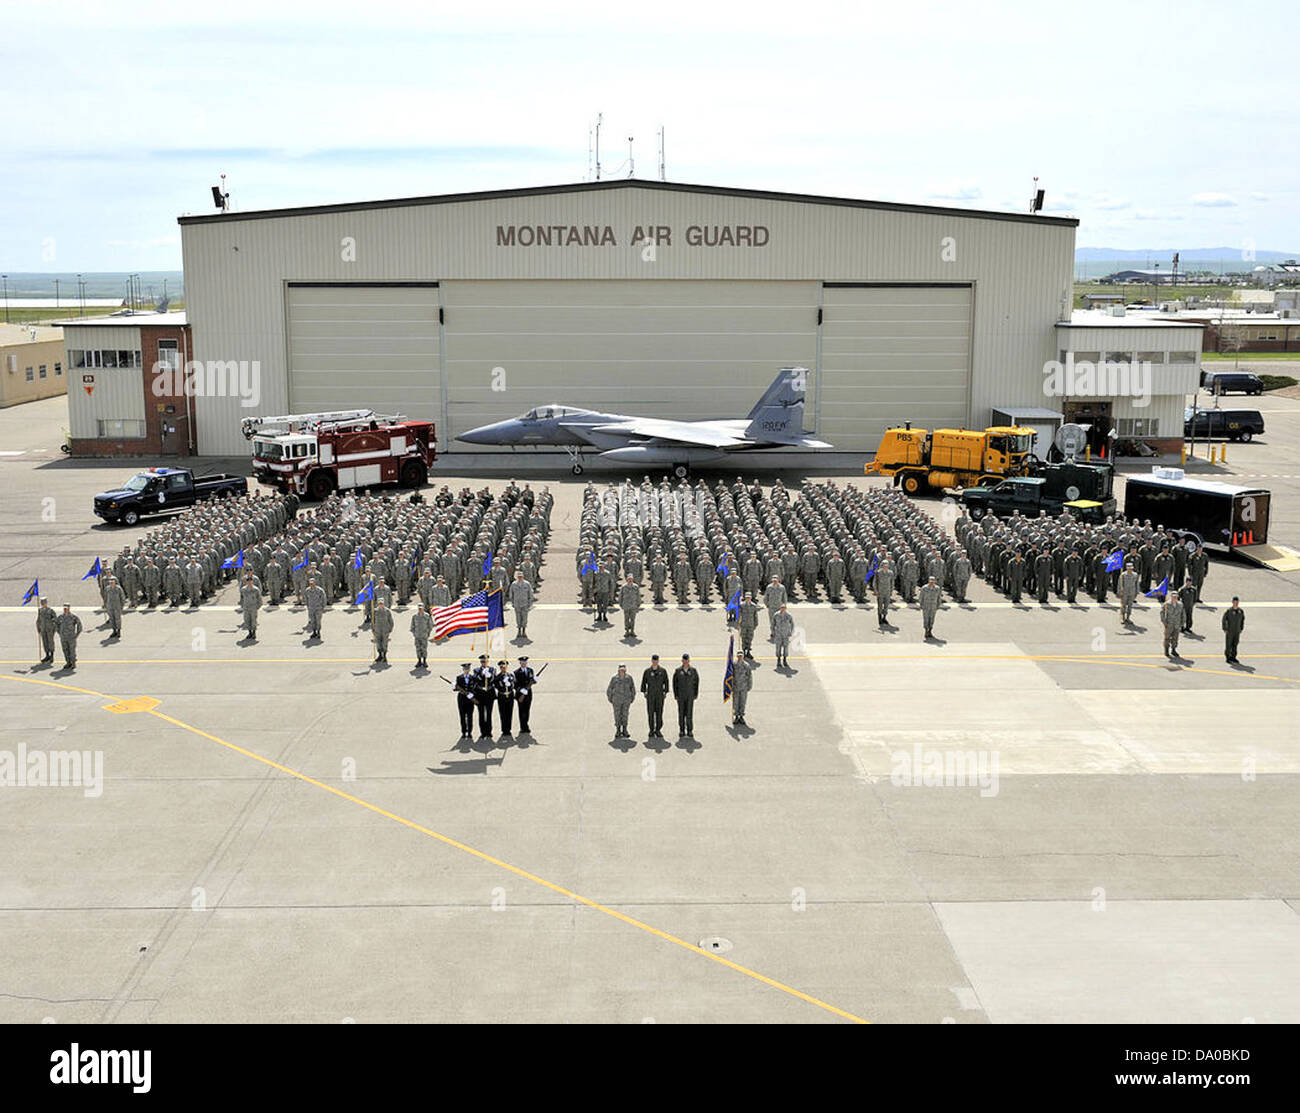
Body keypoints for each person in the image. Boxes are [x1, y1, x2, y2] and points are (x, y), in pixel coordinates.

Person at [640, 654, 669, 738]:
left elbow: (666, 682)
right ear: (651, 661)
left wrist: (665, 692)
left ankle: (658, 730)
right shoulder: (647, 671)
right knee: (650, 713)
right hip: (651, 695)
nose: (655, 662)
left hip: (659, 695)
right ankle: (651, 730)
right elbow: (643, 682)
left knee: (659, 713)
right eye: (653, 660)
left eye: (656, 660)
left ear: (658, 661)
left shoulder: (663, 671)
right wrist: (644, 692)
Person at [672, 653, 700, 737]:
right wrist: (676, 695)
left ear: (689, 661)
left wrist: (695, 694)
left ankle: (689, 730)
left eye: (687, 660)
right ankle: (681, 730)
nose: (685, 662)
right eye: (684, 660)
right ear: (682, 661)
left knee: (689, 713)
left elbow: (697, 683)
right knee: (681, 713)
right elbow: (674, 684)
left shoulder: (693, 671)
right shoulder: (678, 671)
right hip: (681, 695)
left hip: (690, 695)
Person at [606, 664, 636, 738]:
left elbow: (633, 688)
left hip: (626, 700)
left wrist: (632, 698)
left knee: (625, 715)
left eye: (623, 670)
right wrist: (611, 699)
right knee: (617, 715)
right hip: (617, 700)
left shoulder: (629, 678)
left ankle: (625, 730)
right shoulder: (614, 678)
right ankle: (618, 730)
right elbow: (609, 689)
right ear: (618, 670)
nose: (622, 671)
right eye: (621, 670)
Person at [512, 657, 536, 734]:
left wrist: (535, 680)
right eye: (522, 662)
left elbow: (531, 680)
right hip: (520, 694)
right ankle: (523, 727)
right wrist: (521, 690)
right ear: (520, 663)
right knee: (521, 711)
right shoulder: (516, 672)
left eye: (525, 662)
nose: (524, 664)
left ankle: (526, 724)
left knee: (527, 710)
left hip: (528, 694)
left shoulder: (530, 670)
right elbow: (515, 685)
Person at [473, 653, 495, 738]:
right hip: (480, 694)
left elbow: (493, 678)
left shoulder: (492, 669)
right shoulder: (476, 670)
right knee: (481, 714)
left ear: (488, 661)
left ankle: (489, 731)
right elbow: (476, 679)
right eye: (482, 662)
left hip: (489, 694)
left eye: (485, 661)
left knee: (489, 714)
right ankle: (483, 732)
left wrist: (488, 676)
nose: (484, 663)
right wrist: (482, 674)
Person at [453, 663, 476, 739]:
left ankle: (469, 732)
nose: (467, 670)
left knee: (470, 716)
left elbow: (475, 688)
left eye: (468, 669)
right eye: (465, 669)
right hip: (462, 699)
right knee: (462, 716)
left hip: (470, 699)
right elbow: (456, 689)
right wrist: (454, 687)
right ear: (463, 670)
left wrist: (472, 694)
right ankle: (463, 732)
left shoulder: (473, 678)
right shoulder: (459, 678)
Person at [56, 605, 82, 670]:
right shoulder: (60, 617)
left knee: (72, 651)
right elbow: (56, 625)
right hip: (63, 637)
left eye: (66, 609)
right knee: (65, 650)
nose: (65, 610)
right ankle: (68, 663)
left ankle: (73, 663)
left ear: (69, 609)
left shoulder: (73, 617)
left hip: (71, 638)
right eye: (64, 609)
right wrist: (60, 633)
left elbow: (79, 625)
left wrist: (77, 634)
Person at [508, 572, 533, 639]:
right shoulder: (514, 584)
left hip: (525, 604)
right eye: (519, 577)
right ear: (517, 577)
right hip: (517, 604)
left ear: (523, 577)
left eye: (521, 577)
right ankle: (519, 631)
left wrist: (530, 603)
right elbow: (511, 594)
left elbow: (530, 594)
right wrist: (512, 602)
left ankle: (524, 631)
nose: (520, 578)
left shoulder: (527, 584)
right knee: (518, 618)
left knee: (524, 618)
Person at [494, 661, 516, 735]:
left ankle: (508, 729)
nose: (503, 668)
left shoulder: (511, 675)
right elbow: (496, 686)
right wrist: (503, 684)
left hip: (510, 695)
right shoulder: (497, 677)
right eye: (501, 667)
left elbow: (514, 684)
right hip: (502, 696)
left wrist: (509, 684)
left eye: (504, 667)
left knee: (509, 712)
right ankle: (504, 730)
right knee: (503, 713)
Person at [730, 652, 752, 727]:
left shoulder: (746, 665)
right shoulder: (734, 665)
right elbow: (730, 675)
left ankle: (741, 716)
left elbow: (749, 676)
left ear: (743, 657)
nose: (740, 657)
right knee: (735, 703)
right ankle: (736, 716)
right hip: (736, 687)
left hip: (743, 687)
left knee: (742, 702)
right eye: (738, 656)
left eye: (741, 656)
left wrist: (749, 686)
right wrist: (730, 686)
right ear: (737, 656)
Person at [1160, 592, 1184, 659]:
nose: (1174, 598)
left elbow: (1183, 614)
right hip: (1169, 624)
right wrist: (1164, 622)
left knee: (1175, 638)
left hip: (1177, 624)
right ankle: (1166, 650)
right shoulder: (1167, 604)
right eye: (1173, 597)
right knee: (1167, 638)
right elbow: (1162, 613)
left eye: (1176, 597)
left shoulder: (1180, 604)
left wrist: (1182, 623)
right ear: (1171, 597)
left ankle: (1173, 650)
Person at [239, 575, 263, 641]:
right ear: (246, 582)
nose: (249, 582)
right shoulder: (243, 589)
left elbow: (259, 599)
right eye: (248, 581)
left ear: (252, 581)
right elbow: (241, 598)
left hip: (253, 607)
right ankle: (249, 633)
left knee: (253, 620)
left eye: (250, 580)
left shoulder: (256, 589)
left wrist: (258, 606)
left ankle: (254, 633)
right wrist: (242, 606)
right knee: (247, 620)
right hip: (246, 607)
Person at [1222, 597, 1245, 664]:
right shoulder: (1229, 611)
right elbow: (1224, 620)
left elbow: (1242, 620)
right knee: (1228, 644)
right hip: (1230, 631)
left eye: (1237, 602)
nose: (1236, 603)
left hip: (1237, 631)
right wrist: (1225, 628)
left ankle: (1233, 657)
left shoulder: (1240, 611)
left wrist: (1241, 628)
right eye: (1234, 602)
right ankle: (1228, 657)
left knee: (1235, 644)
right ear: (1232, 602)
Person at [738, 593, 760, 660]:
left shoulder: (753, 606)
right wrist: (738, 624)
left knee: (750, 638)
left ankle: (748, 652)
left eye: (749, 598)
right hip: (744, 625)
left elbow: (755, 616)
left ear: (750, 598)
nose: (748, 599)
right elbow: (738, 615)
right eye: (747, 597)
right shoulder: (742, 605)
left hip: (751, 625)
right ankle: (743, 652)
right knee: (743, 638)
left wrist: (755, 624)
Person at [919, 575, 942, 640]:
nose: (932, 582)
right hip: (926, 606)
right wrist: (921, 605)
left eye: (933, 581)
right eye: (930, 581)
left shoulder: (937, 588)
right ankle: (926, 630)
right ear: (928, 581)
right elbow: (921, 597)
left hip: (933, 606)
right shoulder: (924, 588)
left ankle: (930, 630)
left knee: (932, 619)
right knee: (926, 619)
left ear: (934, 581)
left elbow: (939, 597)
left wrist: (938, 605)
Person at [304, 575, 326, 640]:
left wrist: (323, 607)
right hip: (311, 608)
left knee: (318, 621)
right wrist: (307, 606)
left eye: (313, 583)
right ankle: (314, 632)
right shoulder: (307, 590)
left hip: (318, 608)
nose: (312, 584)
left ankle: (318, 632)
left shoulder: (320, 590)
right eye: (310, 583)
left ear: (315, 583)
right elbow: (306, 599)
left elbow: (324, 599)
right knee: (312, 621)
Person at [371, 598, 394, 663]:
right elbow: (373, 621)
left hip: (385, 630)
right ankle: (380, 655)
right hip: (377, 630)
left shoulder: (387, 611)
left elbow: (390, 620)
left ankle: (384, 656)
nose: (381, 604)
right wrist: (372, 628)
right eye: (379, 603)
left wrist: (391, 628)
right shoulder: (375, 611)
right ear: (378, 604)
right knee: (378, 643)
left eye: (382, 603)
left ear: (384, 603)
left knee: (384, 643)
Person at [103, 575, 126, 639]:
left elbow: (122, 598)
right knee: (112, 619)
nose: (111, 584)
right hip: (110, 606)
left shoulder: (118, 588)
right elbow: (105, 597)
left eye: (112, 583)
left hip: (117, 606)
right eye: (110, 583)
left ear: (115, 583)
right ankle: (114, 631)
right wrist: (105, 605)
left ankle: (118, 631)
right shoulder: (107, 588)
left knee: (117, 619)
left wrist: (122, 606)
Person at [410, 604, 432, 668]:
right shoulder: (415, 616)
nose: (420, 609)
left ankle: (424, 661)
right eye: (419, 608)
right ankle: (419, 661)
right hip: (417, 635)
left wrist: (428, 633)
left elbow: (430, 625)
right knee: (418, 648)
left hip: (424, 635)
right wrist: (414, 633)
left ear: (423, 608)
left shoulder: (427, 616)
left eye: (421, 608)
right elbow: (412, 626)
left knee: (424, 648)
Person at [772, 604, 794, 668]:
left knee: (786, 648)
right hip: (778, 634)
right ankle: (778, 660)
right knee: (778, 648)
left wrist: (790, 632)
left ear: (786, 608)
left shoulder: (789, 616)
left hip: (785, 634)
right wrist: (773, 632)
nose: (783, 609)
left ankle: (785, 660)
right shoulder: (776, 615)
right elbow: (773, 624)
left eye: (784, 608)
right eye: (782, 607)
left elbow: (792, 624)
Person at [35, 597, 56, 663]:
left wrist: (54, 629)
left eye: (44, 603)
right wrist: (38, 628)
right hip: (43, 629)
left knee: (50, 642)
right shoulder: (40, 611)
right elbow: (38, 620)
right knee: (45, 642)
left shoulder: (50, 611)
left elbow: (55, 620)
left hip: (49, 629)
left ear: (46, 603)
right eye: (42, 603)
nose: (43, 604)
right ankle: (47, 656)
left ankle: (52, 656)